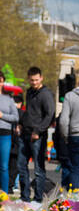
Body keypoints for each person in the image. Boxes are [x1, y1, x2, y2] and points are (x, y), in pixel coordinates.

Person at [18, 66, 54, 203]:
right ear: (28, 79)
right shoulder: (29, 92)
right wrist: (21, 123)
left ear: (41, 78)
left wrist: (38, 131)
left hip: (37, 135)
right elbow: (28, 111)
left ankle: (38, 198)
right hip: (25, 133)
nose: (34, 82)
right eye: (32, 80)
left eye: (36, 80)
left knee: (38, 169)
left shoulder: (46, 94)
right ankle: (24, 197)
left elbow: (50, 114)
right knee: (22, 166)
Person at [0, 74, 20, 195]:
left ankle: (5, 194)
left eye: (1, 82)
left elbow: (15, 117)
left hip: (5, 135)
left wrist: (2, 116)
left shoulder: (8, 99)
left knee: (3, 166)